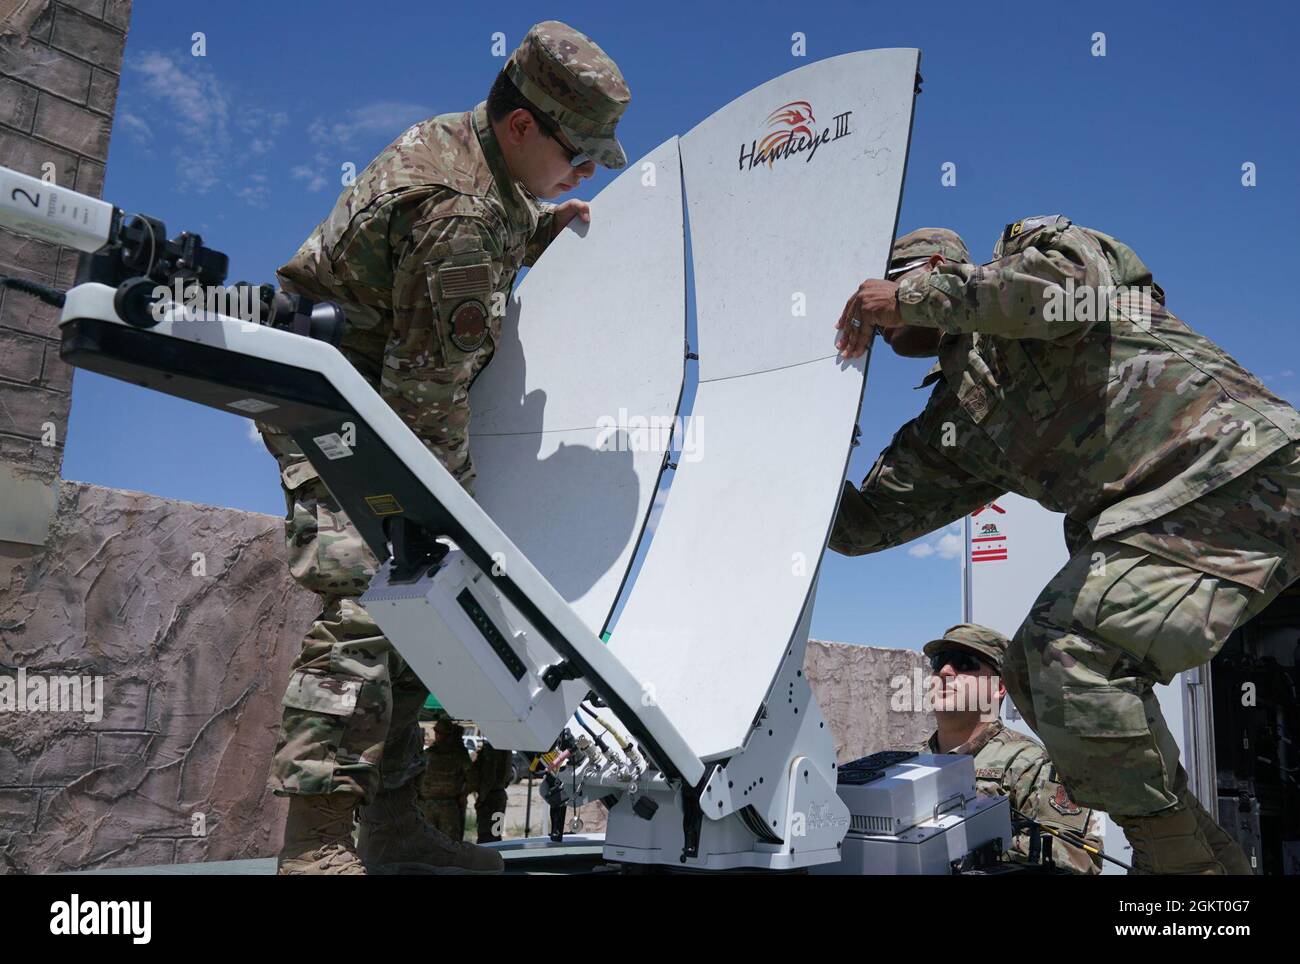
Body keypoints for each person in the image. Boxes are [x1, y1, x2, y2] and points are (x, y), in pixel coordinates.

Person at [258, 21, 632, 874]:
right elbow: (424, 407)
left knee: (408, 611)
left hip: (364, 392)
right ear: (522, 126)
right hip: (327, 403)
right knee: (366, 596)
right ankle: (314, 843)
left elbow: (484, 237)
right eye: (579, 153)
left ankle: (390, 832)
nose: (585, 173)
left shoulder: (477, 162)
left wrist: (539, 227)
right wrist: (464, 529)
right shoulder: (458, 210)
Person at [830, 222, 1300, 873]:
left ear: (934, 267)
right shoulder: (957, 423)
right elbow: (860, 526)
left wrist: (911, 297)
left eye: (890, 282)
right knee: (1040, 669)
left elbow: (1066, 287)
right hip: (1165, 523)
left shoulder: (1029, 258)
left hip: (1238, 466)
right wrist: (816, 442)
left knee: (1064, 652)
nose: (874, 313)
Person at [919, 623, 1103, 874]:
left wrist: (977, 852)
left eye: (963, 662)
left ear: (999, 687)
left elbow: (1079, 857)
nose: (945, 671)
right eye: (939, 662)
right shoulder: (906, 765)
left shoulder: (1033, 763)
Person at [416, 718, 473, 840]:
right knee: (448, 844)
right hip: (446, 805)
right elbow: (472, 778)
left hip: (433, 804)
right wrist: (464, 795)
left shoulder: (428, 754)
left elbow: (416, 777)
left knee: (431, 842)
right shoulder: (459, 754)